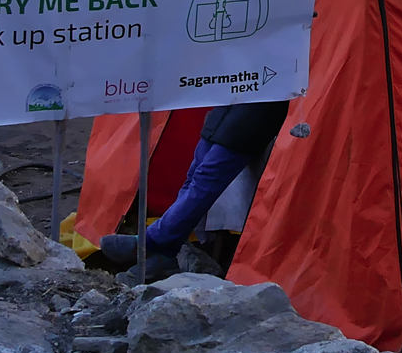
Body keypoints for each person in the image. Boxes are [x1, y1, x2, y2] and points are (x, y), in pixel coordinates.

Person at [98, 100, 288, 278]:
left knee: (206, 178)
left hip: (260, 106)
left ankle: (151, 241)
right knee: (195, 175)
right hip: (234, 99)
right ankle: (165, 253)